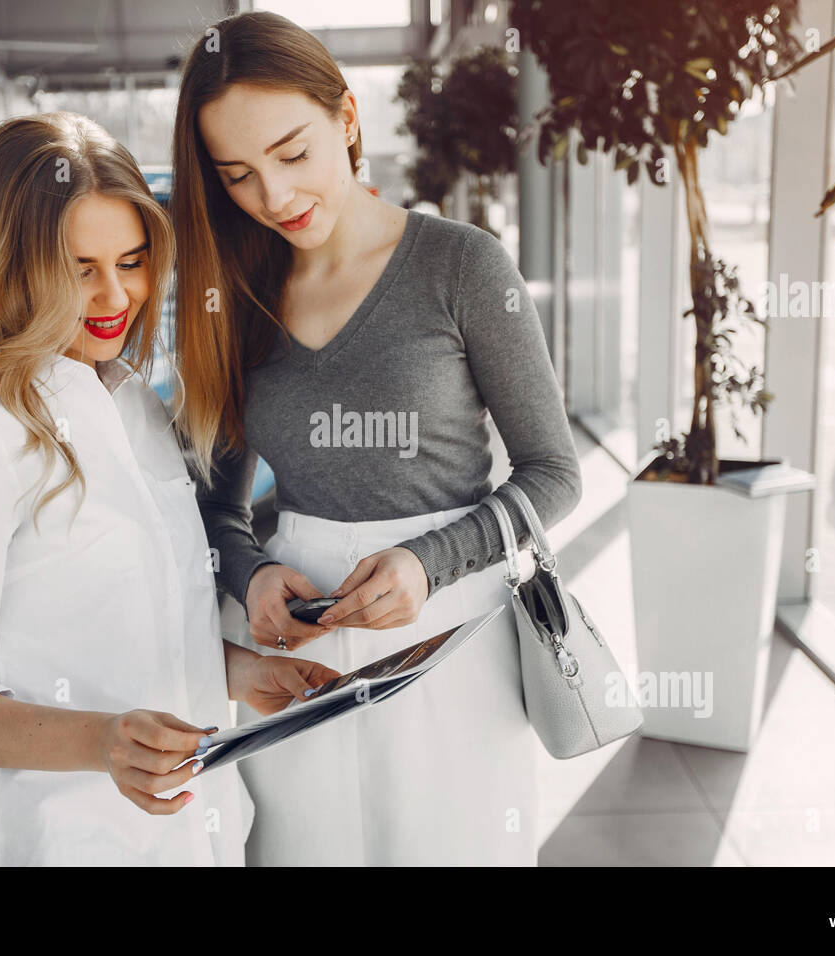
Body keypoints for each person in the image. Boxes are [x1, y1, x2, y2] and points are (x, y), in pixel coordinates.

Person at [0, 112, 337, 866]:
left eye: (133, 259)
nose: (114, 294)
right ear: (12, 265)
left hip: (191, 832)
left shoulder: (131, 404)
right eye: (78, 266)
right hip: (57, 841)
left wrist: (245, 671)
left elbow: (138, 626)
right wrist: (102, 743)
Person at [169, 12, 583, 865]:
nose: (275, 198)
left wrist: (428, 561)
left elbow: (553, 475)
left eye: (293, 154)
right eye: (239, 175)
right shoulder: (237, 297)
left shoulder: (461, 267)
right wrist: (251, 580)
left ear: (347, 120)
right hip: (294, 650)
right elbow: (217, 511)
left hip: (451, 630)